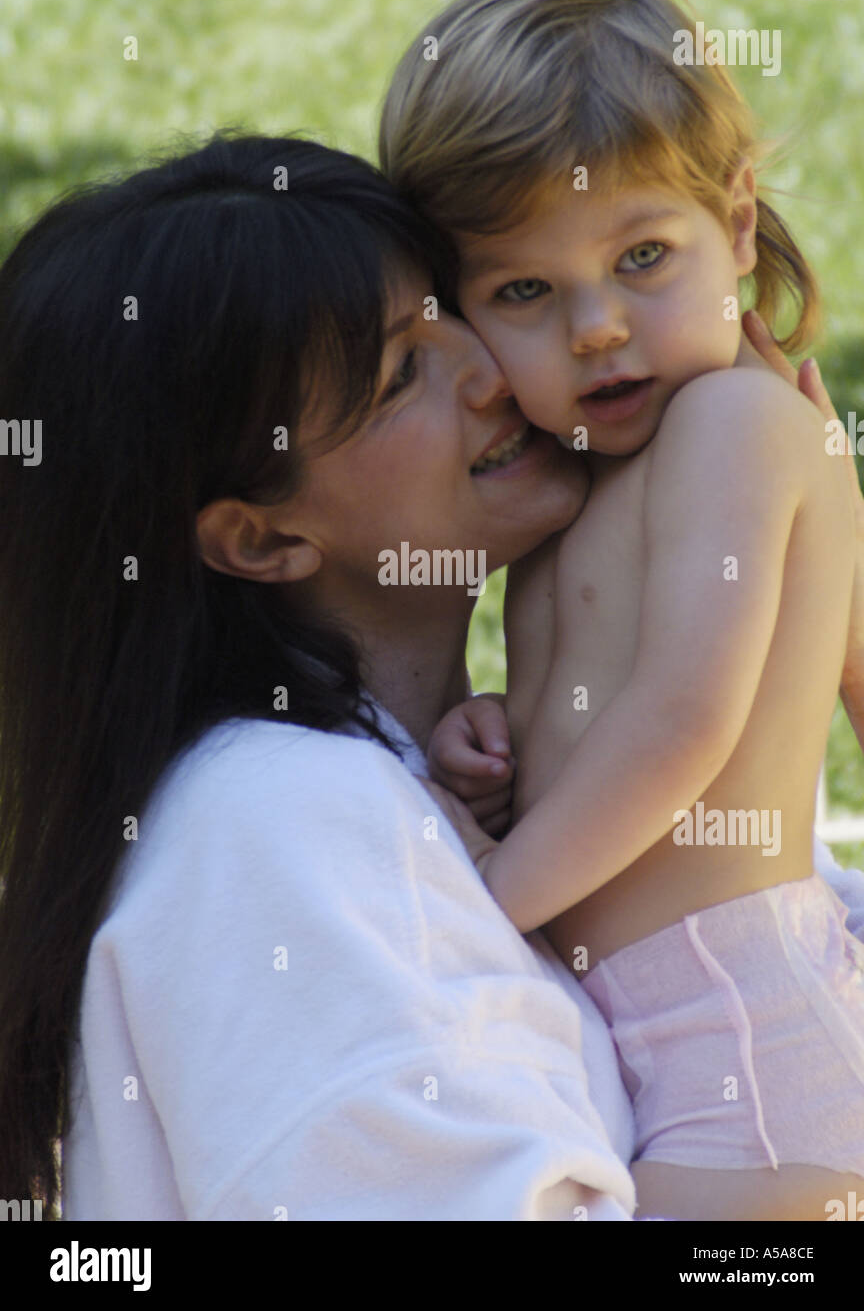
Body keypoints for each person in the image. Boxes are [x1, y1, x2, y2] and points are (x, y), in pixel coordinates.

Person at [0, 132, 861, 1223]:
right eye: (405, 371)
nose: (500, 370)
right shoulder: (275, 829)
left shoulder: (474, 777)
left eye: (457, 308)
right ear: (262, 540)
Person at [379, 0, 864, 1219]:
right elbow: (600, 711)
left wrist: (487, 908)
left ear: (740, 227)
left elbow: (687, 719)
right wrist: (497, 737)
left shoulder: (734, 425)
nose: (596, 327)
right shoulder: (576, 481)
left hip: (747, 1046)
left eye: (643, 256)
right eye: (526, 292)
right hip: (668, 1041)